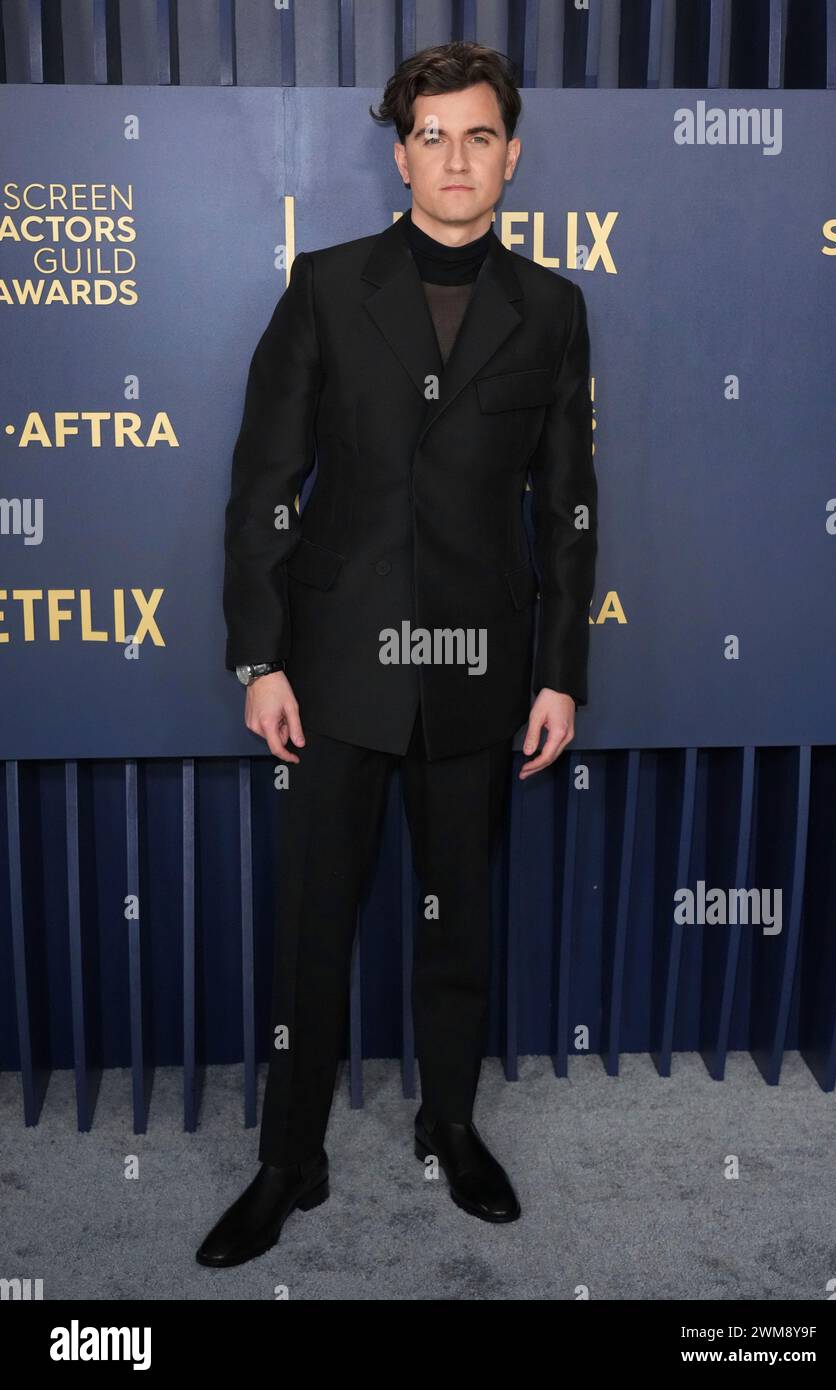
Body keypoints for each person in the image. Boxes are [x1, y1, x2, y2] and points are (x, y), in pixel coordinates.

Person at [196, 39, 597, 1268]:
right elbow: (265, 480)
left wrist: (560, 670)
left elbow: (569, 503)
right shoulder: (324, 287)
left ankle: (450, 1124)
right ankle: (288, 1159)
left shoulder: (554, 307)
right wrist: (257, 658)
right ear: (400, 151)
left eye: (479, 135)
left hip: (479, 671)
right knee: (312, 923)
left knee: (458, 922)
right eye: (432, 135)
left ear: (510, 155)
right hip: (330, 667)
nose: (455, 157)